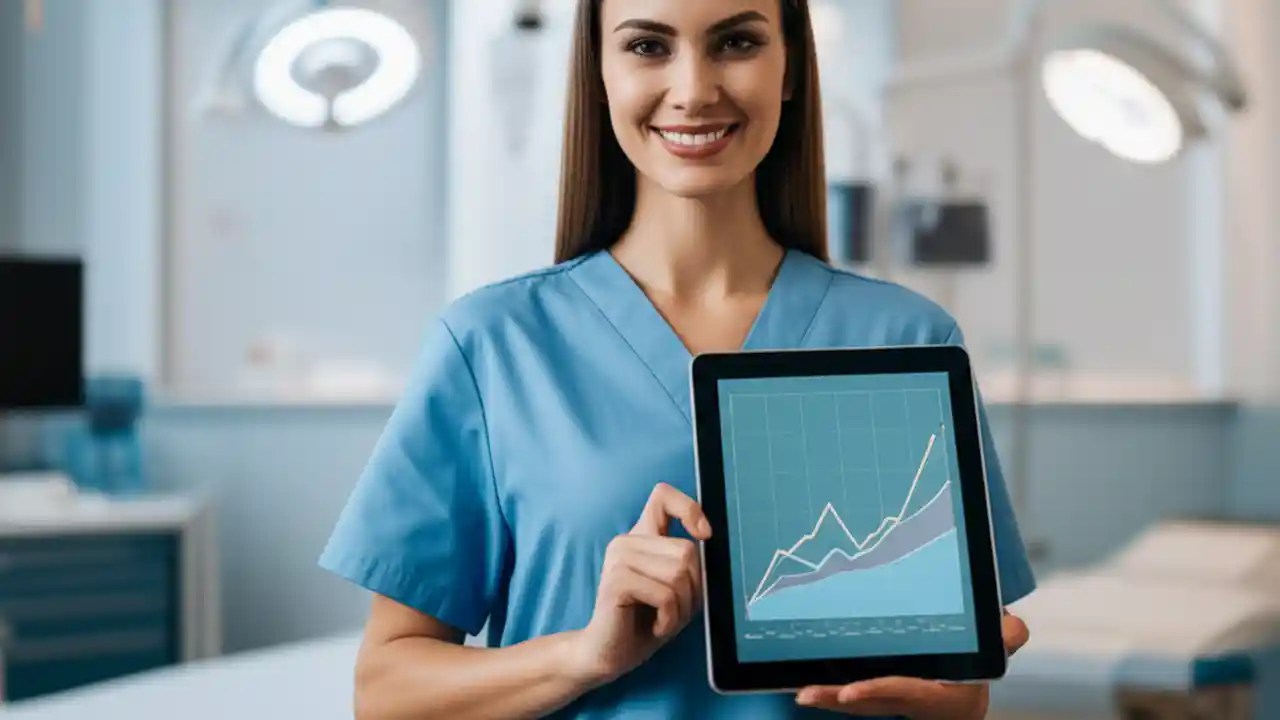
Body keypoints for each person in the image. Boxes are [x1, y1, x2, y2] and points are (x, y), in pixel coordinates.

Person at [319, 0, 1034, 717]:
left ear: (790, 69)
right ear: (599, 74)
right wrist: (583, 656)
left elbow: (956, 696)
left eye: (737, 42)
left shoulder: (908, 340)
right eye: (648, 47)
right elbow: (386, 694)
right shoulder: (491, 345)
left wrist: (951, 701)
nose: (694, 89)